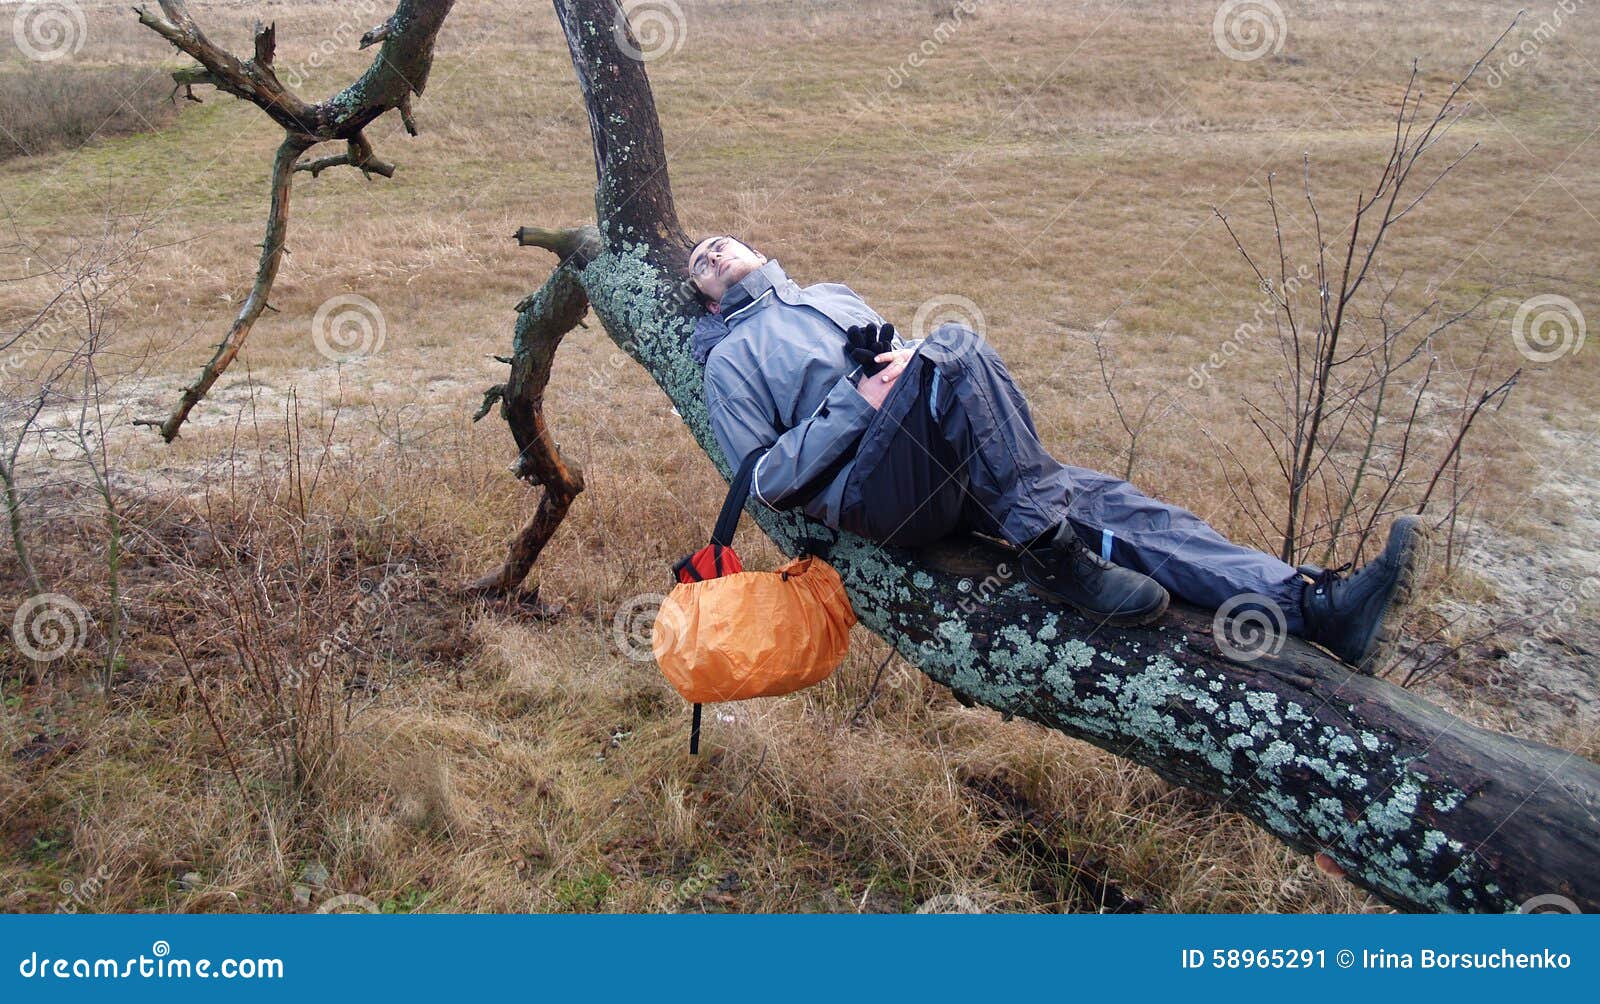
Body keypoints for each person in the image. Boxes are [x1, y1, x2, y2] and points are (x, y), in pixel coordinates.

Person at [685, 235, 1429, 672]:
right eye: (698, 262)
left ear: (759, 248)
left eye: (718, 241)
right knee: (955, 344)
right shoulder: (729, 359)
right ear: (709, 300)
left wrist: (899, 366)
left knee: (1121, 507)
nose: (708, 251)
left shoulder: (832, 294)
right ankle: (1051, 551)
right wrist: (860, 401)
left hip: (929, 455)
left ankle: (1316, 608)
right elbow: (764, 479)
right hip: (869, 495)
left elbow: (905, 365)